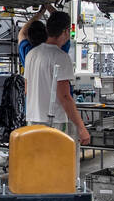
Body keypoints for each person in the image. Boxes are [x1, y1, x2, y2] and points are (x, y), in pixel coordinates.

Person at [24, 9, 91, 160]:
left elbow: (27, 89)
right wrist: (81, 127)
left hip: (32, 120)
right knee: (55, 164)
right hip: (53, 122)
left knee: (37, 163)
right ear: (66, 31)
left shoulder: (31, 55)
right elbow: (65, 97)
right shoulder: (61, 57)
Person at [17, 3, 70, 67]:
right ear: (46, 33)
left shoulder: (28, 53)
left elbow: (22, 33)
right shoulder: (59, 52)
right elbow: (61, 22)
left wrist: (41, 12)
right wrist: (45, 8)